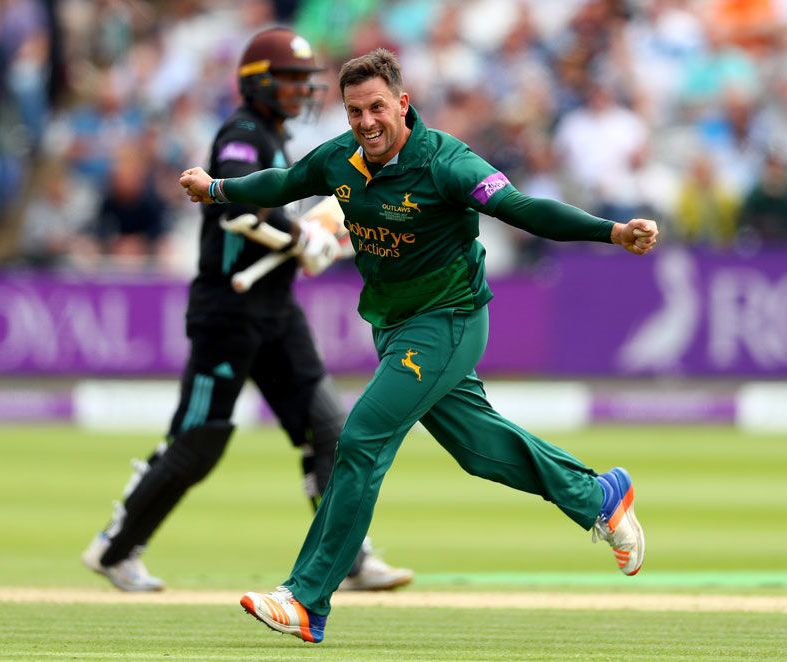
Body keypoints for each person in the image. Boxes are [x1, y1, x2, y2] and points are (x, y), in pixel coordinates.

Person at [180, 48, 658, 644]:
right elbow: (283, 183)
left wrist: (611, 231)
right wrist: (217, 188)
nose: (366, 122)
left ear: (402, 104)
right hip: (394, 326)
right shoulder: (340, 159)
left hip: (449, 321)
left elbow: (523, 209)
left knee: (361, 438)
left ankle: (306, 598)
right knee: (479, 448)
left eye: (377, 107)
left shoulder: (448, 163)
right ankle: (598, 495)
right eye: (355, 111)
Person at [82, 28, 413, 594]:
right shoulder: (242, 134)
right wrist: (300, 238)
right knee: (199, 440)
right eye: (290, 80)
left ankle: (349, 559)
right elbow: (235, 202)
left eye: (304, 81)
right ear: (258, 83)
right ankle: (115, 549)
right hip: (228, 312)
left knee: (328, 429)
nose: (301, 91)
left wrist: (307, 238)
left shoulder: (274, 137)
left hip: (275, 308)